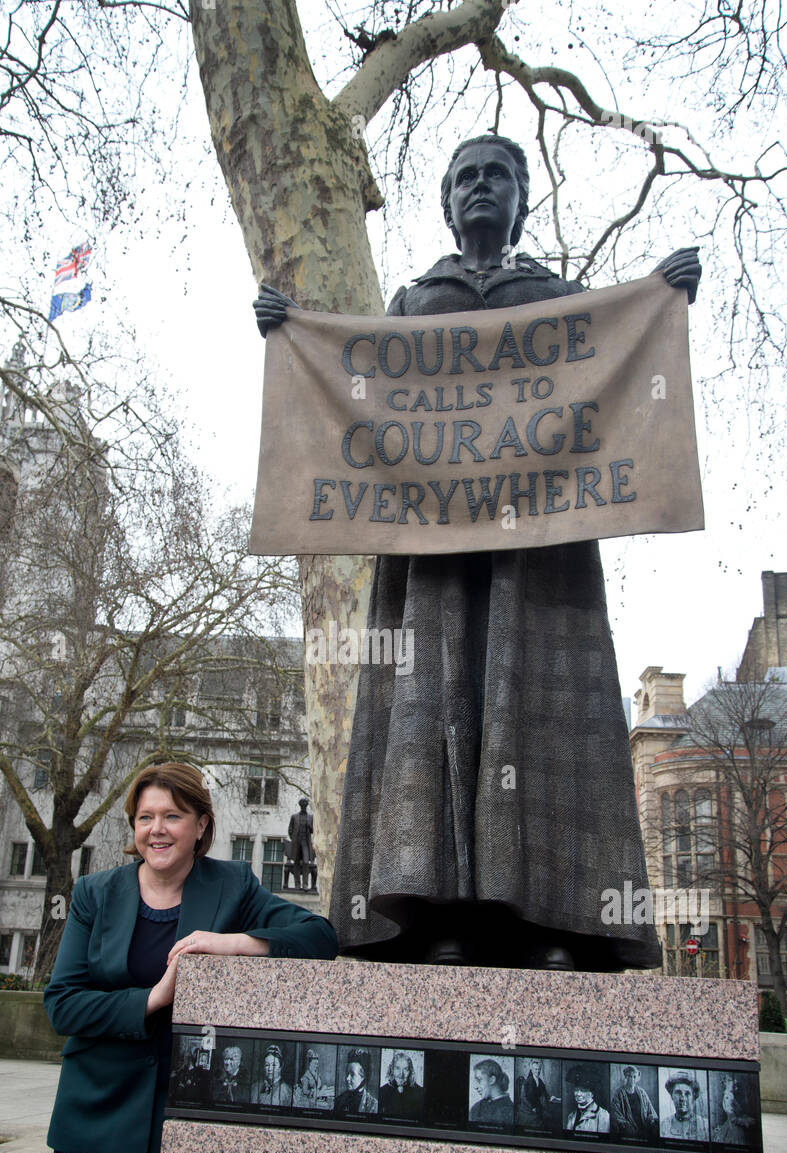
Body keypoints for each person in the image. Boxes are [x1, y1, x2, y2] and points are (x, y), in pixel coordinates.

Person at [255, 134, 701, 971]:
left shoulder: (557, 299)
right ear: (446, 201)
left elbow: (616, 361)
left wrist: (658, 299)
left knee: (539, 720)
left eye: (497, 175)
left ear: (523, 197)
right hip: (430, 560)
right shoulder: (413, 301)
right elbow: (352, 394)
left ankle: (548, 922)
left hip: (538, 556)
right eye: (464, 177)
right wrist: (291, 335)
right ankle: (433, 918)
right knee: (431, 718)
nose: (480, 187)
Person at [43, 760, 338, 1153]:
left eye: (173, 816)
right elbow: (62, 1005)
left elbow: (320, 936)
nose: (157, 829)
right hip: (89, 1128)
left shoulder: (232, 886)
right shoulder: (93, 893)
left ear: (201, 825)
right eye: (145, 817)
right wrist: (155, 998)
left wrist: (233, 944)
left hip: (173, 1135)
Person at [610, 1065, 658, 1141]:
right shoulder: (619, 1093)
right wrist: (627, 1126)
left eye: (634, 1077)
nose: (632, 1079)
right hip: (628, 1131)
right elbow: (616, 1114)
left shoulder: (642, 1092)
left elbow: (650, 1110)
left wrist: (651, 1120)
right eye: (629, 1076)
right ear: (625, 1077)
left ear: (637, 1079)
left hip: (644, 1128)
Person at [660, 1071, 709, 1141]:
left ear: (693, 1097)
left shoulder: (705, 1125)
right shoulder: (664, 1125)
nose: (682, 1098)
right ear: (671, 1096)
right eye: (678, 1093)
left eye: (687, 1094)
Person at [379, 1050, 424, 1120]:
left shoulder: (420, 1092)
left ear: (410, 1071)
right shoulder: (382, 1091)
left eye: (405, 1069)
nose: (401, 1074)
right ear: (392, 1069)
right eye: (397, 1068)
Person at [565, 1066, 610, 1134]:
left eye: (583, 1090)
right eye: (576, 1090)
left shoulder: (603, 1115)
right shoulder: (571, 1116)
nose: (578, 1094)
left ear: (592, 1093)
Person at [469, 1059, 513, 1126]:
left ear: (492, 1080)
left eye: (479, 1080)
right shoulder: (476, 1108)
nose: (475, 1086)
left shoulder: (510, 1111)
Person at [334, 1048, 378, 1115]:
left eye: (352, 1074)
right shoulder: (339, 1101)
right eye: (347, 1073)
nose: (347, 1078)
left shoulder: (372, 1105)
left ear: (363, 1076)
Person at [515, 1057, 557, 1127]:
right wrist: (534, 1107)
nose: (537, 1071)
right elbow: (529, 1096)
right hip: (528, 1108)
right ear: (531, 1069)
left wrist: (549, 1097)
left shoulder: (539, 1080)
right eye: (536, 1069)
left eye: (539, 1069)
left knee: (550, 1117)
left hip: (535, 1105)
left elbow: (543, 1090)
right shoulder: (529, 1081)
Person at [250, 1043, 293, 1107]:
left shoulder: (287, 1091)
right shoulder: (255, 1086)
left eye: (274, 1065)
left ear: (280, 1067)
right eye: (267, 1065)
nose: (270, 1069)